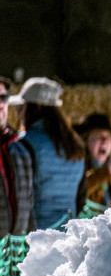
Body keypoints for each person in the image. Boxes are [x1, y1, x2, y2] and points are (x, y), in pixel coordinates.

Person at [14, 78, 86, 230]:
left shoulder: (22, 144)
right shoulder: (75, 146)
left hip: (36, 237)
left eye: (20, 107)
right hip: (69, 235)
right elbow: (81, 197)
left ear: (37, 107)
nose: (18, 114)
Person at [76, 113, 111, 216]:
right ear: (86, 140)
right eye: (99, 136)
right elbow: (79, 191)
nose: (105, 141)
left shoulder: (105, 166)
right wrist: (108, 170)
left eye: (108, 137)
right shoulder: (78, 163)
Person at [0, 78, 35, 237]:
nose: (1, 105)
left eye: (3, 98)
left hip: (15, 250)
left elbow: (29, 202)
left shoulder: (20, 146)